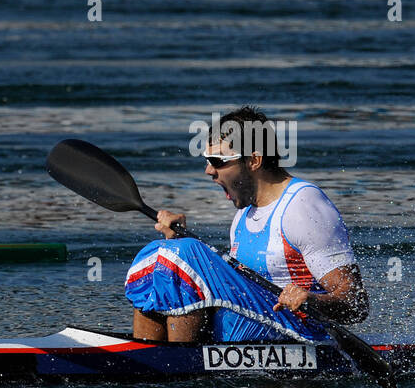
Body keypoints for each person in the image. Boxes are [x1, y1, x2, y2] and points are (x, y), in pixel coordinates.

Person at [125, 105, 367, 343]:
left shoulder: (303, 206)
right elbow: (235, 287)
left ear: (253, 160)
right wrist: (177, 241)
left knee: (184, 253)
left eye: (217, 160)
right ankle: (153, 355)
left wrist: (311, 300)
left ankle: (177, 365)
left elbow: (356, 305)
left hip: (298, 335)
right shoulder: (245, 213)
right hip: (249, 333)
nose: (208, 170)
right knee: (158, 255)